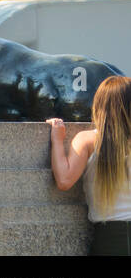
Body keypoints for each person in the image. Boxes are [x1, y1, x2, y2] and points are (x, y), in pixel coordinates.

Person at [48, 76, 131, 255]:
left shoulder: (88, 140)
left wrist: (57, 139)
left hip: (112, 240)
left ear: (100, 105)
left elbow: (64, 180)